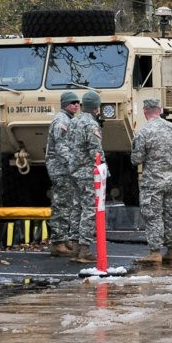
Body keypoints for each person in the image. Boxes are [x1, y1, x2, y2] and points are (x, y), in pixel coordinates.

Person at [130, 98, 172, 265]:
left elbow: (136, 159)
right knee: (171, 215)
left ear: (145, 111)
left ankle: (155, 252)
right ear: (160, 110)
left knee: (153, 216)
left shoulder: (144, 132)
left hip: (153, 182)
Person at [68, 90, 106, 264]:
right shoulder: (91, 124)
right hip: (88, 173)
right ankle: (84, 249)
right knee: (90, 210)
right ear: (96, 107)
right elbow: (96, 152)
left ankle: (75, 247)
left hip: (74, 171)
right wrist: (103, 168)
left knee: (77, 209)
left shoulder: (74, 121)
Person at [46, 91, 80, 257]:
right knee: (61, 203)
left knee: (68, 203)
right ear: (65, 104)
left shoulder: (69, 119)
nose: (76, 105)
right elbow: (61, 148)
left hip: (66, 168)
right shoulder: (61, 121)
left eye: (77, 102)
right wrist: (73, 164)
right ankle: (58, 242)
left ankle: (63, 237)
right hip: (60, 168)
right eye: (72, 102)